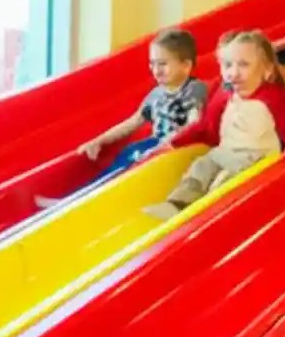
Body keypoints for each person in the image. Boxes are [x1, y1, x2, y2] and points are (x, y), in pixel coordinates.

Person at [143, 30, 285, 220]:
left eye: (244, 65)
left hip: (256, 159)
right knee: (200, 166)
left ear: (267, 70)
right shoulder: (224, 96)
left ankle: (207, 213)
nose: (234, 72)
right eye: (228, 65)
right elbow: (205, 126)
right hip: (225, 152)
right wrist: (173, 143)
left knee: (223, 180)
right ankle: (176, 204)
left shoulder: (274, 98)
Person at [35, 28, 208, 208]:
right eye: (152, 64)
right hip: (156, 146)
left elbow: (195, 122)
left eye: (163, 64)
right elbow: (133, 122)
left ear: (185, 66)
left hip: (178, 149)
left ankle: (84, 200)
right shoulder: (156, 95)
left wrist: (169, 145)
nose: (156, 70)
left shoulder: (194, 89)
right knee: (128, 154)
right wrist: (100, 140)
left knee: (136, 156)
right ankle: (81, 198)